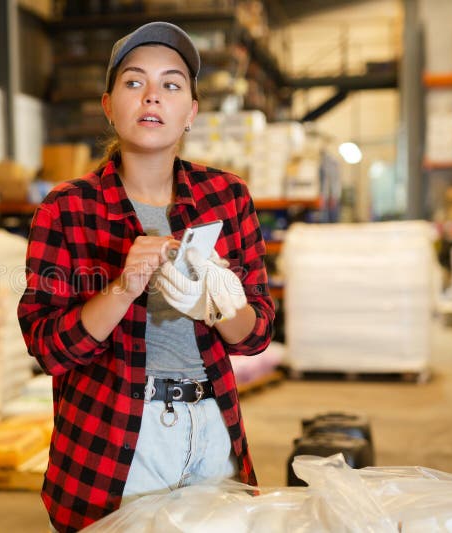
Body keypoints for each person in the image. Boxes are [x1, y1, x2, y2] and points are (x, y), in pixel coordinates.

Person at [18, 21, 275, 533]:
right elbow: (47, 347)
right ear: (110, 105)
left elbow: (257, 335)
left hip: (212, 430)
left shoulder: (227, 197)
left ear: (191, 113)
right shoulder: (66, 209)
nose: (152, 96)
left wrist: (222, 304)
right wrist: (122, 288)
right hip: (115, 441)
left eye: (171, 85)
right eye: (134, 82)